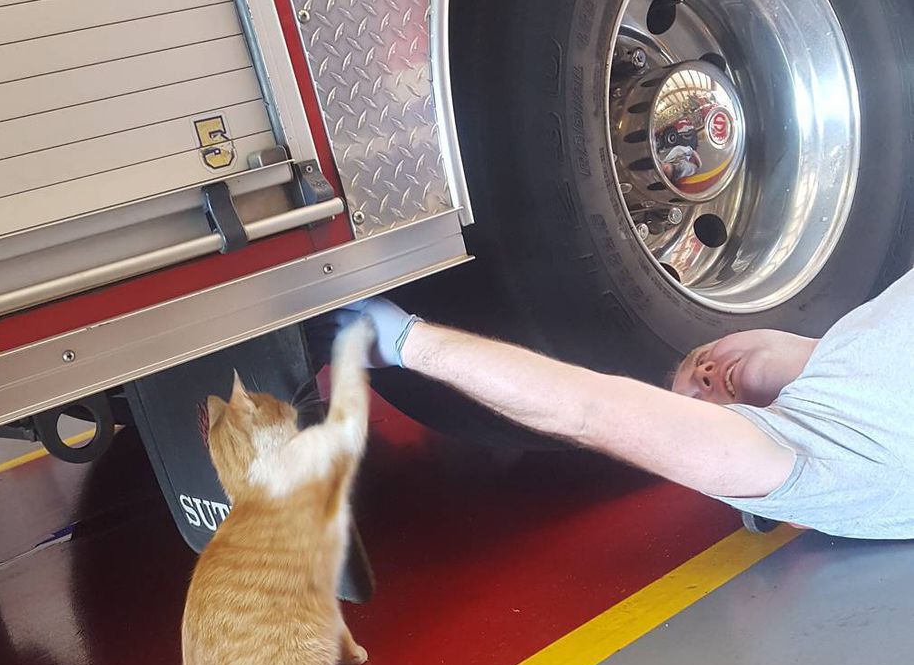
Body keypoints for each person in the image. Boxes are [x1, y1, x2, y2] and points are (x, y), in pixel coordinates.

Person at [320, 267, 914, 539]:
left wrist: (405, 340)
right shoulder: (835, 462)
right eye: (699, 395)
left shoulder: (861, 331)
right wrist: (404, 342)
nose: (707, 372)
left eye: (698, 360)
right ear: (799, 514)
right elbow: (591, 411)